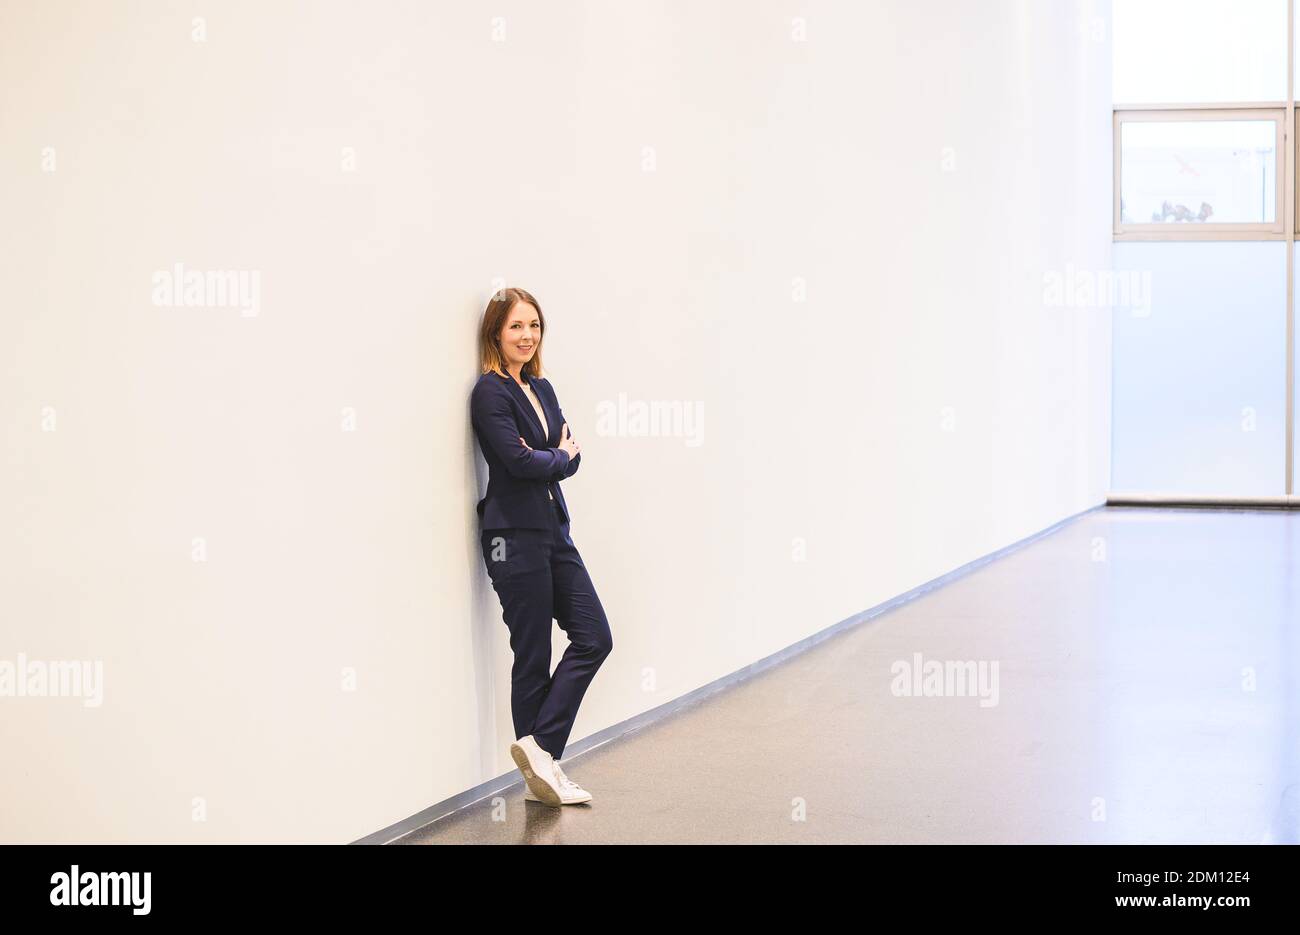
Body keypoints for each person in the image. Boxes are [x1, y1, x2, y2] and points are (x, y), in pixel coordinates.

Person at [470, 287, 613, 807]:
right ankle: (544, 774)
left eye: (534, 326)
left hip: (554, 528)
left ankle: (542, 753)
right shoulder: (490, 394)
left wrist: (550, 455)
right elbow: (518, 462)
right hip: (511, 536)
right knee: (532, 652)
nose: (527, 336)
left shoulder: (542, 388)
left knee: (595, 636)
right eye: (516, 327)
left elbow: (569, 457)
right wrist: (553, 455)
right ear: (496, 333)